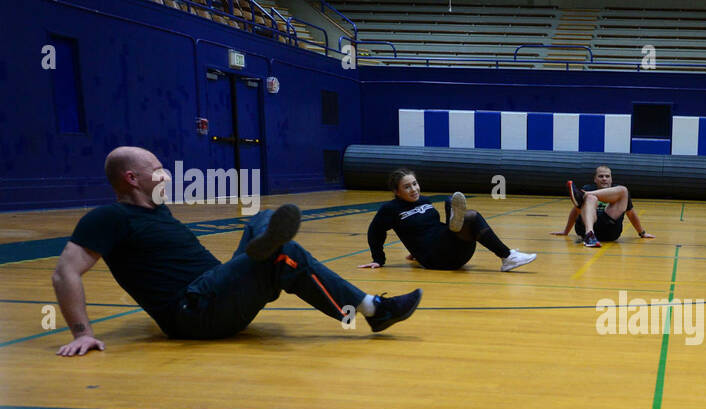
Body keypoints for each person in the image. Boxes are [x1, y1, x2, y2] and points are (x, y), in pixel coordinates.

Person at [52, 146, 421, 355]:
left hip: (215, 289)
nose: (166, 175)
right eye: (158, 170)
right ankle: (373, 309)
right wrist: (81, 333)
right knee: (285, 252)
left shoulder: (157, 211)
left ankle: (264, 249)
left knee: (264, 216)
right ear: (132, 178)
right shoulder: (109, 218)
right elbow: (65, 272)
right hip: (193, 311)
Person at [360, 169, 535, 273]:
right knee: (470, 215)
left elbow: (424, 228)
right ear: (397, 192)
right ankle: (507, 256)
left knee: (457, 206)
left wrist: (413, 251)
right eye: (407, 187)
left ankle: (506, 256)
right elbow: (375, 232)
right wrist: (378, 259)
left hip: (454, 249)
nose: (413, 189)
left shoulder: (425, 201)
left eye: (415, 183)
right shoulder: (390, 209)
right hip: (436, 258)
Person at [554, 166, 652, 248]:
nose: (604, 178)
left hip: (609, 230)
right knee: (591, 198)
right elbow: (575, 211)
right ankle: (590, 235)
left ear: (611, 179)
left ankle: (585, 195)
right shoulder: (588, 187)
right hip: (586, 227)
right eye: (600, 176)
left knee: (623, 190)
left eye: (607, 176)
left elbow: (630, 213)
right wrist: (566, 231)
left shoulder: (617, 190)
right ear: (595, 179)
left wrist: (642, 233)